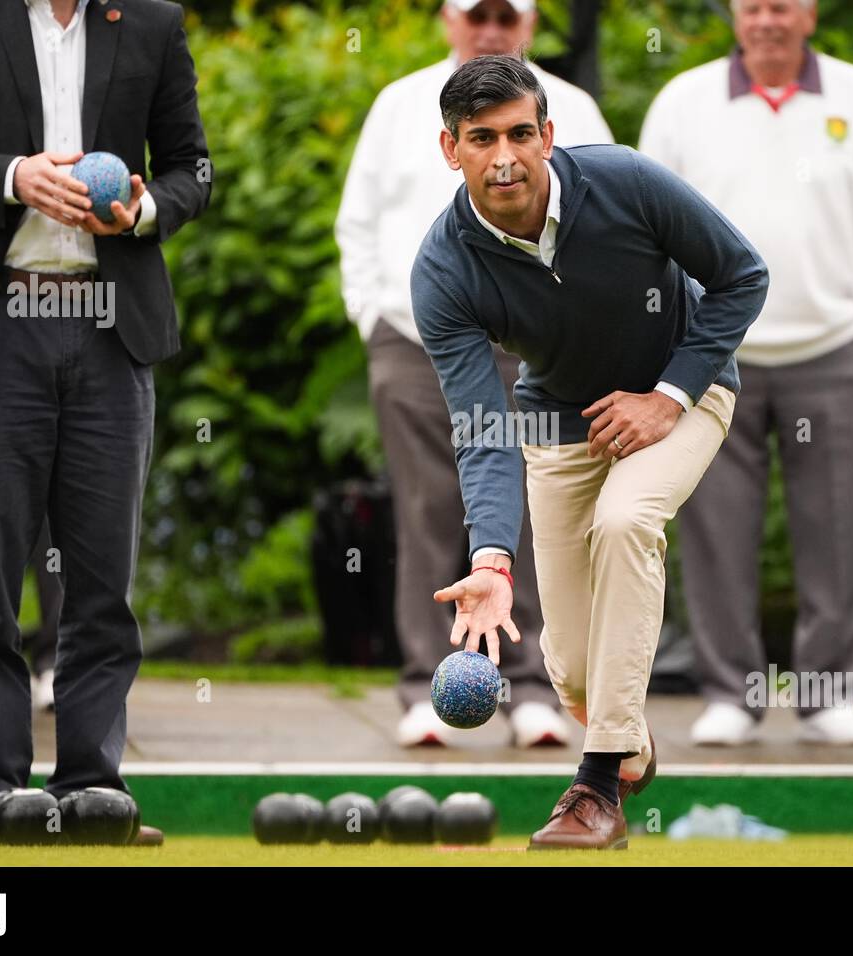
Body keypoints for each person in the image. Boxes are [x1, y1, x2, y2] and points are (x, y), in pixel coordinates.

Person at [412, 56, 768, 848]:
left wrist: (668, 394)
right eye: (480, 138)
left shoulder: (628, 182)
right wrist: (493, 560)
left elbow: (742, 275)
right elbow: (483, 426)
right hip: (558, 423)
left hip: (685, 392)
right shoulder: (443, 269)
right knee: (571, 670)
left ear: (547, 135)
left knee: (626, 521)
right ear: (451, 149)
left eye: (517, 133)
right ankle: (625, 735)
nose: (502, 155)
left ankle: (596, 789)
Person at [0, 0, 211, 840]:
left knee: (103, 583)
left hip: (112, 331)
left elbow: (192, 171)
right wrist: (9, 178)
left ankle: (93, 793)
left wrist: (140, 210)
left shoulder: (151, 22)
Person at [336, 0, 612, 747]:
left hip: (535, 343)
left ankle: (533, 689)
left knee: (540, 508)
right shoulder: (398, 104)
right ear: (449, 19)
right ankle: (428, 683)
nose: (490, 27)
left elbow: (603, 226)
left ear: (526, 23)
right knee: (427, 507)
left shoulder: (574, 107)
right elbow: (357, 220)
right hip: (413, 341)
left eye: (505, 14)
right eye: (476, 13)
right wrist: (374, 315)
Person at [640, 0, 853, 746]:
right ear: (734, 14)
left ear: (811, 13)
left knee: (834, 531)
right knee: (716, 533)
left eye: (782, 5)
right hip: (710, 357)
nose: (768, 18)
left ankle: (829, 700)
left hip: (833, 350)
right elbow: (649, 231)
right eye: (754, 5)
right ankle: (730, 692)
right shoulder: (683, 103)